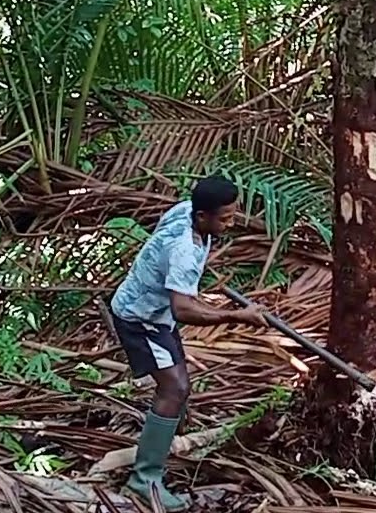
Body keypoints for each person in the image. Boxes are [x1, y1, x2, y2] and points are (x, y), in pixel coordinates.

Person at [108, 175, 267, 511]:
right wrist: (237, 316)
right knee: (174, 388)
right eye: (225, 218)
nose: (232, 222)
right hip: (141, 319)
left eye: (233, 214)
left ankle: (166, 438)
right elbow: (183, 308)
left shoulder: (188, 212)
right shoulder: (182, 247)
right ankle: (144, 478)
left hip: (157, 315)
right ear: (201, 217)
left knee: (178, 386)